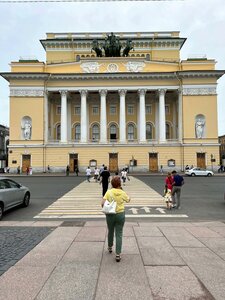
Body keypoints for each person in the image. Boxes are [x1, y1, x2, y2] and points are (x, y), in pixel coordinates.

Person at [101, 176, 130, 262]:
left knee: (110, 230)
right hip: (120, 214)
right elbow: (128, 200)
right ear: (119, 184)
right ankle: (118, 254)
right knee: (119, 233)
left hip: (110, 214)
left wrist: (107, 207)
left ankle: (110, 247)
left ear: (112, 184)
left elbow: (102, 203)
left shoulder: (109, 192)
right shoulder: (122, 192)